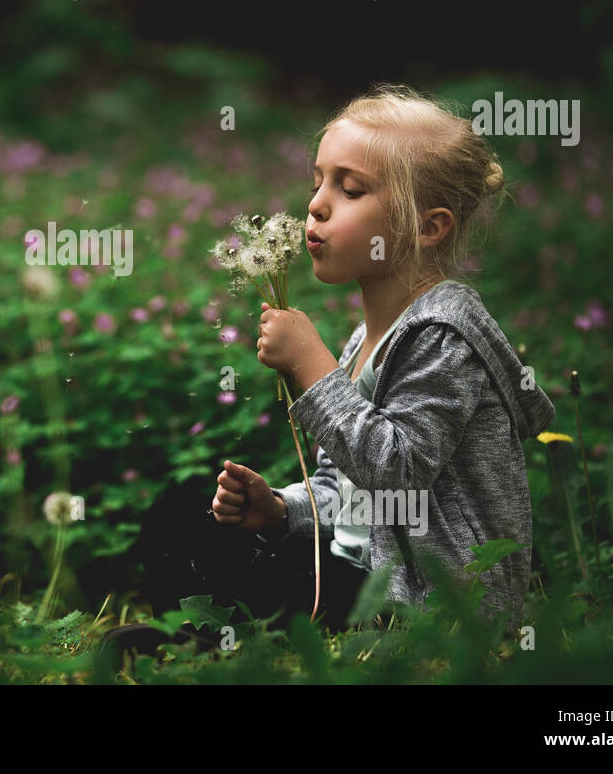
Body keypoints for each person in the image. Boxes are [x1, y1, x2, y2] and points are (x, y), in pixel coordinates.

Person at [102, 84, 557, 659]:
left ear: (427, 227)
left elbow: (397, 474)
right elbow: (345, 488)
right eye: (317, 181)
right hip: (353, 571)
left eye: (350, 189)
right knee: (183, 515)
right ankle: (208, 634)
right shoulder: (363, 342)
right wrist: (280, 511)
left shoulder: (445, 337)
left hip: (424, 598)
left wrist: (312, 368)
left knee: (286, 584)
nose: (316, 204)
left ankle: (215, 640)